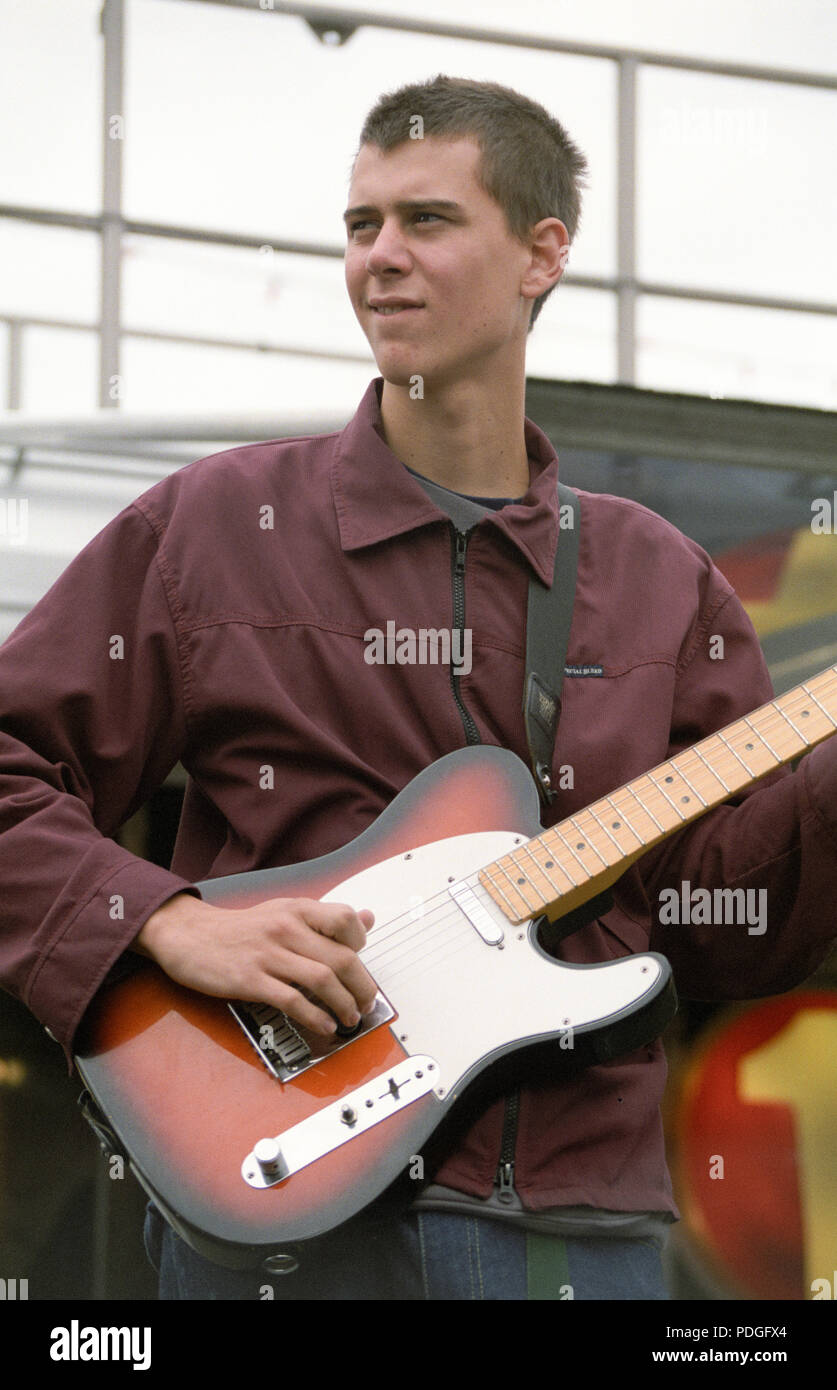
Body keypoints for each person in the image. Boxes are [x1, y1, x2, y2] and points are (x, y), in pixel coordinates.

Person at [1, 75, 836, 1302]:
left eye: (427, 221)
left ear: (543, 254)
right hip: (283, 1221)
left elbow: (728, 920)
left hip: (576, 1230)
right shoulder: (217, 527)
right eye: (360, 226)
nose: (380, 259)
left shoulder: (667, 582)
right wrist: (167, 921)